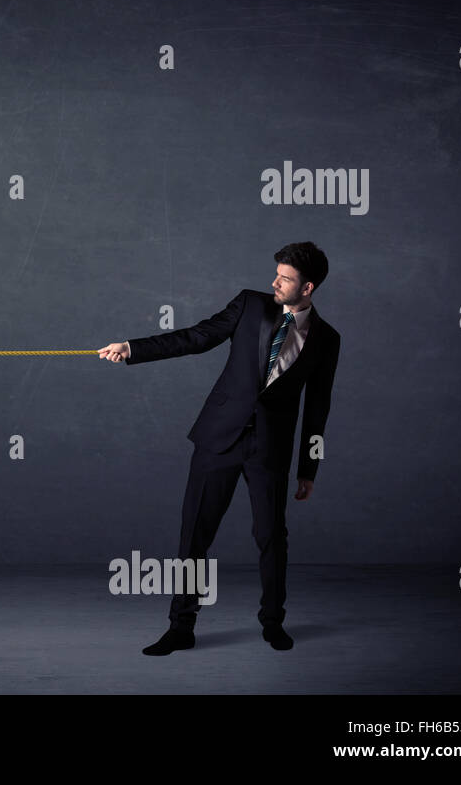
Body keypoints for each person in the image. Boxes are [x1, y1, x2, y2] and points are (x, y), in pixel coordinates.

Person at [97, 242, 340, 654]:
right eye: (276, 274)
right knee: (195, 534)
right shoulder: (249, 305)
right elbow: (195, 337)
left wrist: (309, 468)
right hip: (218, 439)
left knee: (271, 538)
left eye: (285, 278)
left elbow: (318, 409)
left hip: (269, 448)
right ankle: (180, 627)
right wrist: (132, 348)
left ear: (308, 287)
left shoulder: (327, 339)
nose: (275, 282)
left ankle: (273, 622)